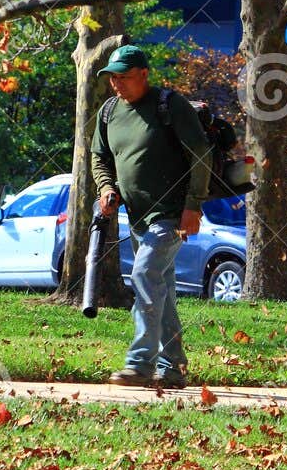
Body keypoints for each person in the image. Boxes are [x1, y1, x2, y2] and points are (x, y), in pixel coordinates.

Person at [90, 43, 211, 388]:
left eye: (124, 77)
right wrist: (105, 187)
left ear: (144, 74)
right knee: (163, 290)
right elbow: (99, 156)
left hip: (171, 214)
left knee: (144, 275)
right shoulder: (109, 111)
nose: (117, 84)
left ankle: (139, 364)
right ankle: (174, 369)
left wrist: (193, 205)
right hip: (138, 217)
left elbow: (201, 154)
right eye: (112, 78)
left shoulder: (169, 105)